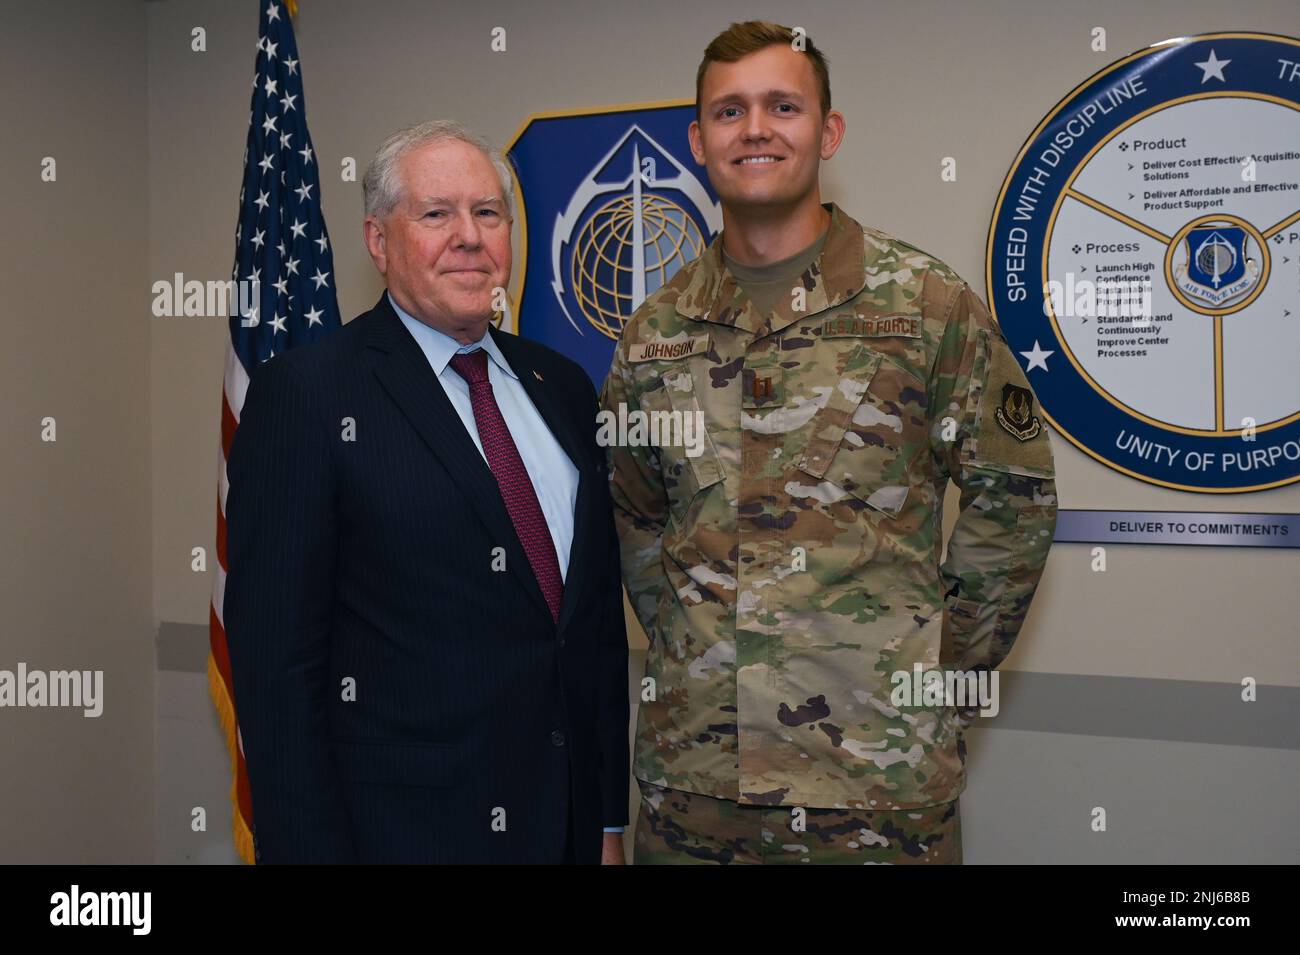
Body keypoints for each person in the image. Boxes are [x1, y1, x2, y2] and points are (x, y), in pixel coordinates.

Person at [601, 21, 1057, 864]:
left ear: (828, 130)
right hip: (696, 791)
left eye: (784, 106)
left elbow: (1014, 495)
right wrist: (697, 651)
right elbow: (634, 513)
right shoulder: (655, 333)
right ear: (699, 141)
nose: (757, 129)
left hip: (877, 785)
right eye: (729, 111)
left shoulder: (923, 305)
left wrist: (931, 672)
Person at [224, 121, 629, 864]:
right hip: (403, 837)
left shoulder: (562, 387)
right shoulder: (307, 397)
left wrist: (605, 822)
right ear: (379, 242)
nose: (470, 237)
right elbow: (278, 672)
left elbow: (591, 630)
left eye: (488, 212)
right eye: (436, 213)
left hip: (565, 829)